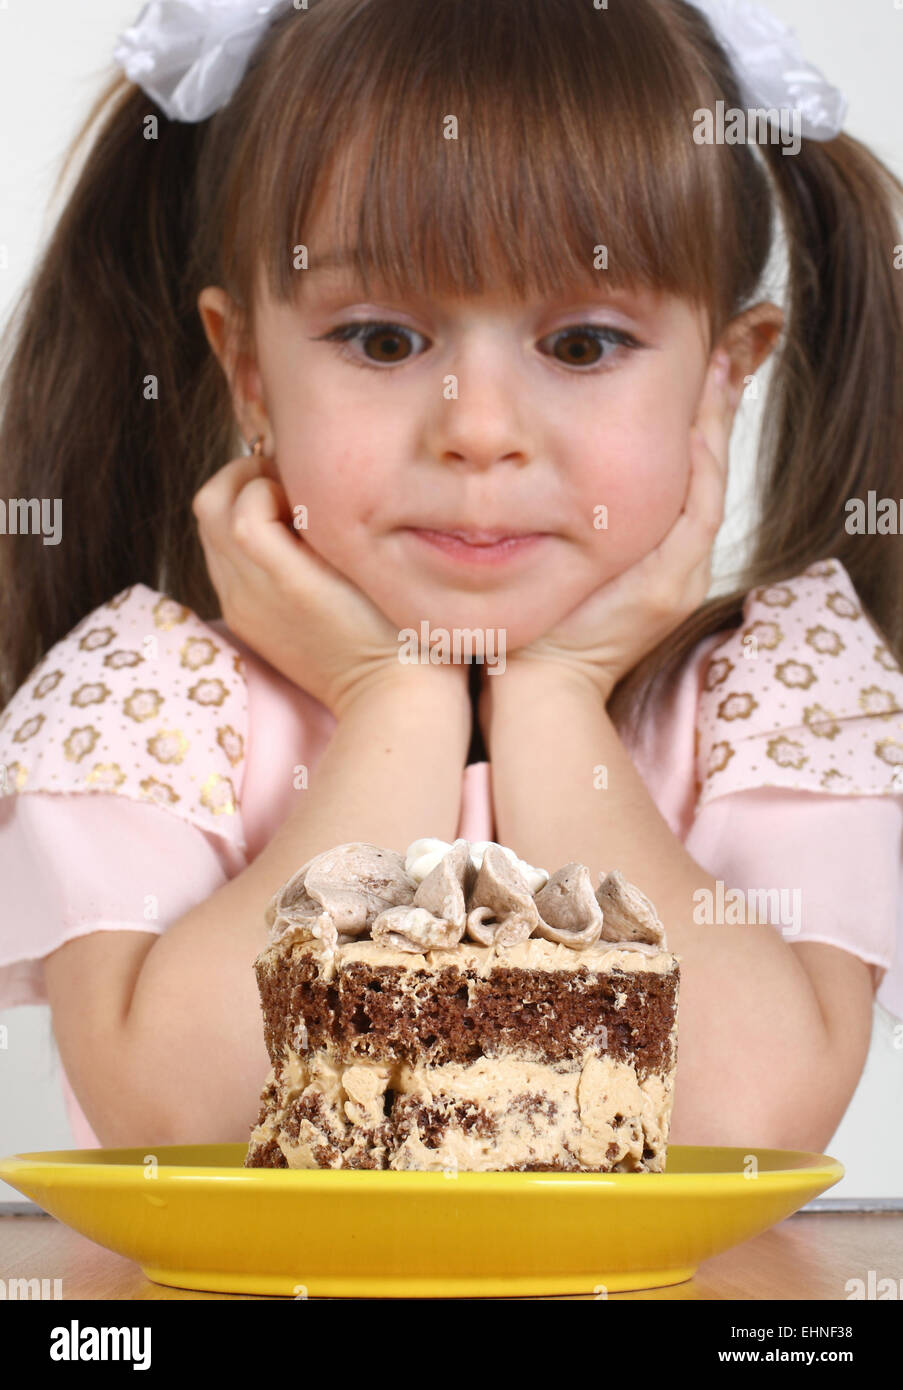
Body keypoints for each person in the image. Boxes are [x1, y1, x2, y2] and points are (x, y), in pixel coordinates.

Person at [1, 0, 901, 1157]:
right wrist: (395, 701)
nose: (477, 429)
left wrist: (558, 695)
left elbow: (744, 1123)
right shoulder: (147, 699)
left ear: (723, 379)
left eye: (582, 345)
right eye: (383, 341)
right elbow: (185, 1126)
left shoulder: (782, 694)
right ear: (250, 375)